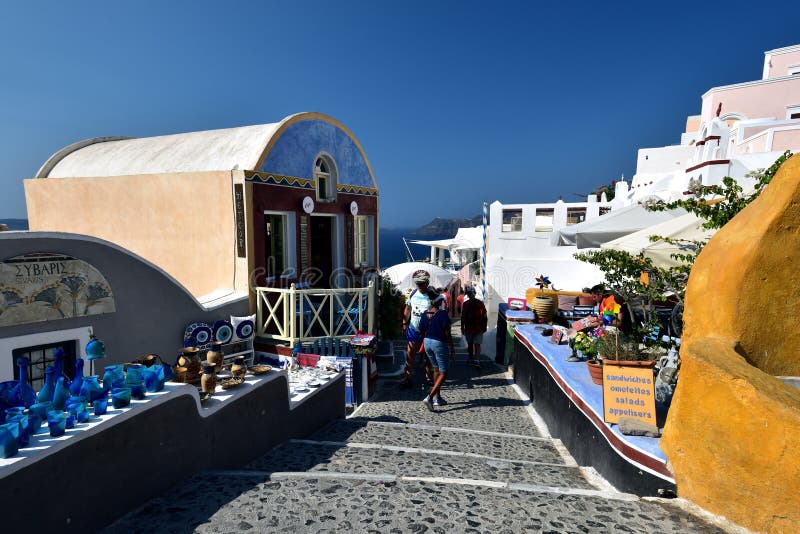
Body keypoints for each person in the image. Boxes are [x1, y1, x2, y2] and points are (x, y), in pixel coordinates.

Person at [418, 294, 455, 410]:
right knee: (444, 372)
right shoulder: (443, 314)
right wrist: (452, 347)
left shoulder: (425, 313)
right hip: (439, 343)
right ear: (439, 303)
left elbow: (421, 329)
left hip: (427, 342)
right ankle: (430, 397)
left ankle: (437, 399)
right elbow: (447, 333)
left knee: (436, 369)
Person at [401, 270, 436, 388]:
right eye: (418, 284)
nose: (420, 286)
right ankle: (408, 378)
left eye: (422, 284)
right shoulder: (413, 293)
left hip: (428, 331)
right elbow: (407, 308)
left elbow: (438, 313)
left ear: (427, 283)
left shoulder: (432, 295)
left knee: (428, 355)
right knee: (410, 354)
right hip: (413, 329)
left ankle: (428, 377)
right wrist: (404, 323)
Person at [460, 286, 488, 368]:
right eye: (469, 294)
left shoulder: (480, 303)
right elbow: (463, 317)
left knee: (477, 344)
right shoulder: (465, 304)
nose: (470, 295)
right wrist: (462, 327)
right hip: (469, 328)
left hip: (478, 327)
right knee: (470, 344)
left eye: (471, 293)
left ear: (474, 294)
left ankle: (477, 360)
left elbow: (484, 316)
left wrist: (485, 326)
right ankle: (471, 358)